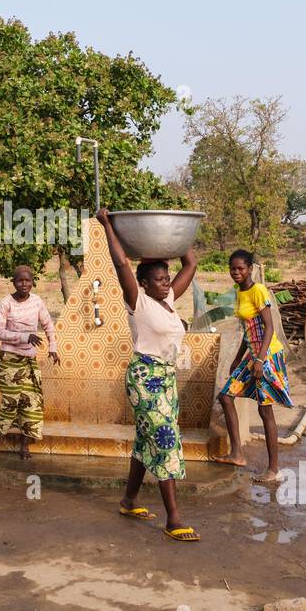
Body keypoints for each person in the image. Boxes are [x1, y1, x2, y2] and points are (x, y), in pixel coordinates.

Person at [97, 208, 200, 542]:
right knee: (165, 442)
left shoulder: (168, 298)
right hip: (145, 378)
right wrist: (108, 225)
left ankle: (128, 500)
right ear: (143, 283)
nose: (166, 282)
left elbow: (191, 265)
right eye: (159, 278)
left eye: (166, 277)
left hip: (166, 377)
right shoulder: (138, 301)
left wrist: (177, 235)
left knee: (146, 442)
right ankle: (173, 518)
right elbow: (121, 264)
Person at [211, 248, 293, 479]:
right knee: (226, 396)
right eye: (232, 269)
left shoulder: (258, 290)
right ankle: (237, 453)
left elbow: (269, 327)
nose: (236, 272)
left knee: (265, 410)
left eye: (240, 268)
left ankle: (273, 469)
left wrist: (258, 359)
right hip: (252, 355)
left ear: (249, 269)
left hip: (267, 356)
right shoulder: (240, 291)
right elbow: (248, 330)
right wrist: (238, 358)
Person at [0, 264, 59, 460]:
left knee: (31, 403)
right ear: (14, 282)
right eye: (20, 280)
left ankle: (24, 445)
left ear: (32, 282)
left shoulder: (37, 302)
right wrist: (25, 337)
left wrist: (53, 347)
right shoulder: (6, 303)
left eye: (28, 280)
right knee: (10, 403)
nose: (24, 284)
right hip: (9, 361)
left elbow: (48, 325)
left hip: (29, 362)